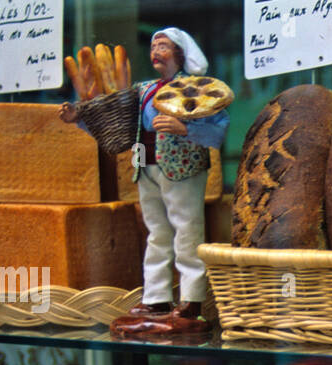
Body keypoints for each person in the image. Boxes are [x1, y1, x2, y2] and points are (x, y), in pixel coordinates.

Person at [60, 28, 228, 335]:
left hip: (182, 168)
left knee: (187, 232)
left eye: (163, 46)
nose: (156, 52)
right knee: (156, 234)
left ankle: (191, 301)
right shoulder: (144, 90)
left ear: (180, 54)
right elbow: (114, 118)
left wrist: (184, 129)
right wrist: (79, 119)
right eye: (154, 46)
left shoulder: (196, 89)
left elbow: (219, 130)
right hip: (146, 166)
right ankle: (157, 299)